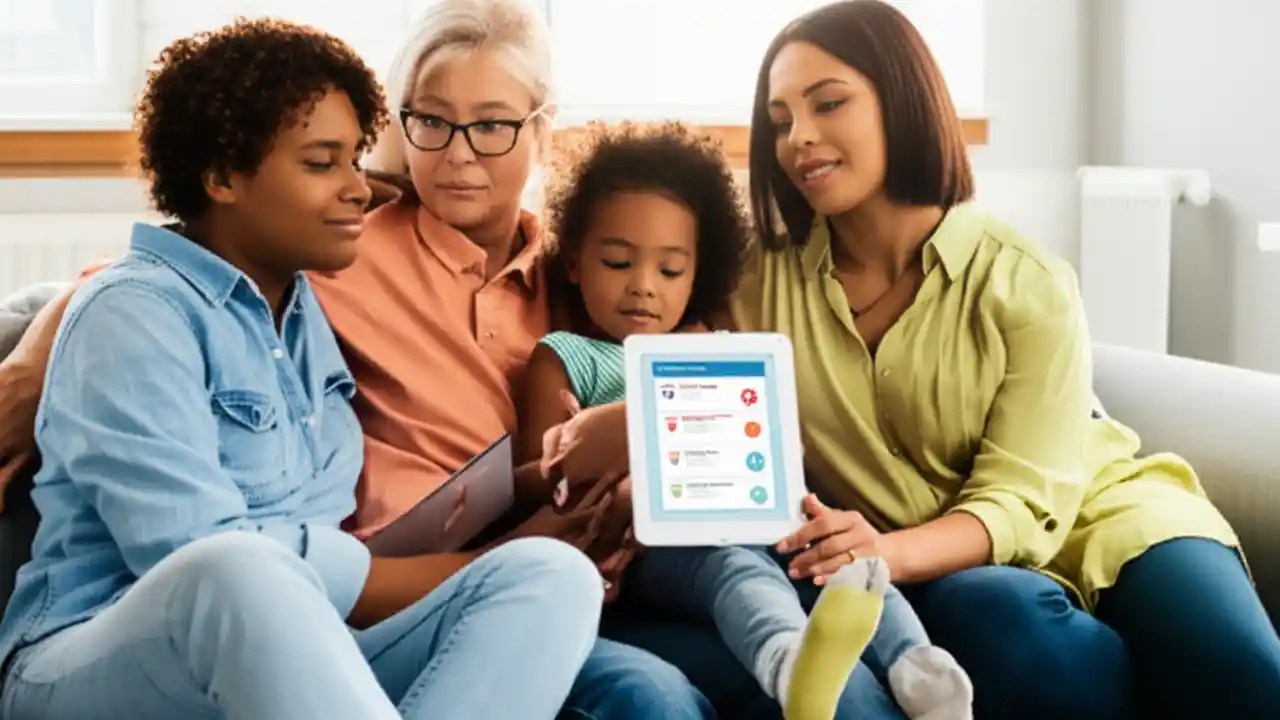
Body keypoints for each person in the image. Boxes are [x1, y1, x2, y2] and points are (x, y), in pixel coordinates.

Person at [537, 2, 1280, 719]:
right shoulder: (754, 283)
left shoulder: (1027, 281)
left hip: (1111, 517)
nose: (800, 136)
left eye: (829, 103)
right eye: (781, 118)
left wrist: (883, 551)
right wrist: (629, 423)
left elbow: (1018, 500)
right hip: (957, 573)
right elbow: (689, 372)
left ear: (901, 101)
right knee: (1007, 628)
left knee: (1245, 675)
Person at [0, 18, 605, 720]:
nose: (360, 191)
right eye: (323, 164)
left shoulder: (302, 309)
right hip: (93, 653)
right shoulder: (134, 313)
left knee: (551, 577)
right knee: (239, 568)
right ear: (222, 176)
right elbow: (190, 553)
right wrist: (450, 570)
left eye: (355, 160)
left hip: (308, 636)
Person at [522, 121, 973, 720]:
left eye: (670, 271)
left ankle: (917, 665)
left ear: (698, 274)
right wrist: (585, 457)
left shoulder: (713, 344)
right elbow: (530, 477)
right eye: (616, 261)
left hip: (754, 512)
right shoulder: (567, 357)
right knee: (731, 566)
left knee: (833, 552)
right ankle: (787, 661)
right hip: (664, 547)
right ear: (575, 261)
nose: (642, 287)